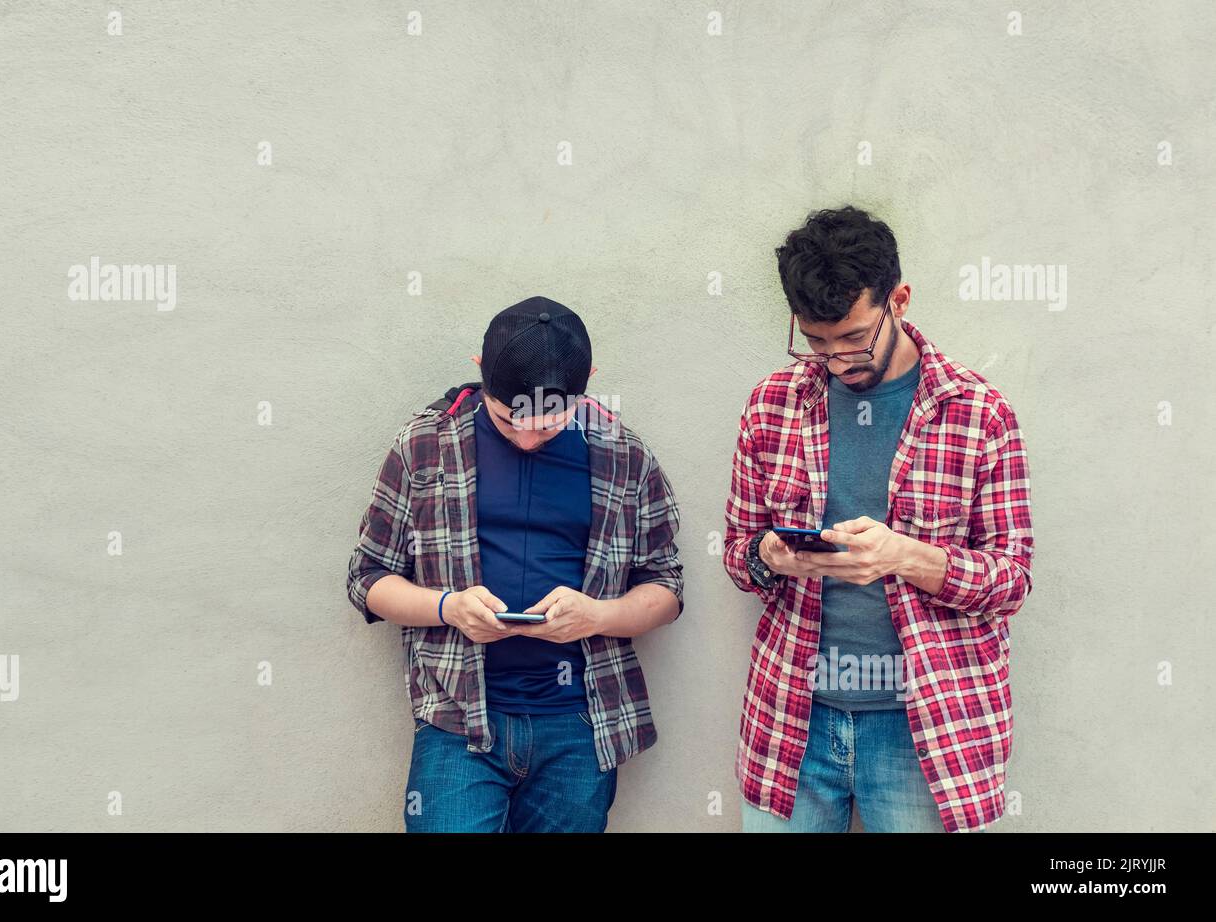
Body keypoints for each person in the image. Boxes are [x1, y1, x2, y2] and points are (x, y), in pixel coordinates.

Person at [723, 206, 1034, 833]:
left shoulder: (978, 414)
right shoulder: (771, 404)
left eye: (854, 337)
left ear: (900, 299)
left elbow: (1012, 581)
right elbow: (735, 552)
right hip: (793, 716)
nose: (836, 360)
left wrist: (904, 556)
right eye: (816, 341)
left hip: (928, 726)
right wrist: (771, 557)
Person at [348, 295, 683, 832]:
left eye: (549, 424)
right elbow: (366, 579)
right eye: (509, 422)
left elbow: (666, 588)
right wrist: (448, 607)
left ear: (587, 381)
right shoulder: (425, 446)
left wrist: (598, 616)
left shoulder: (625, 454)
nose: (528, 438)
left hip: (580, 723)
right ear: (481, 373)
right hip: (457, 719)